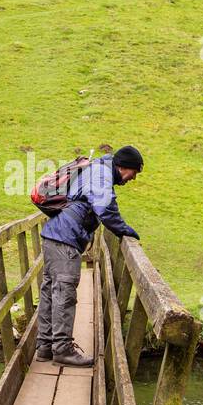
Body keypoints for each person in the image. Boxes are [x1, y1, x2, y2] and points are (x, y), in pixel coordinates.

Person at [36, 145, 143, 367]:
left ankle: (45, 346)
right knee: (64, 294)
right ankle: (62, 350)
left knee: (51, 292)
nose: (133, 178)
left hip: (55, 237)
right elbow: (105, 208)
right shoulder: (102, 173)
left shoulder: (97, 169)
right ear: (124, 166)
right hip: (65, 240)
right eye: (135, 172)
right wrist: (125, 230)